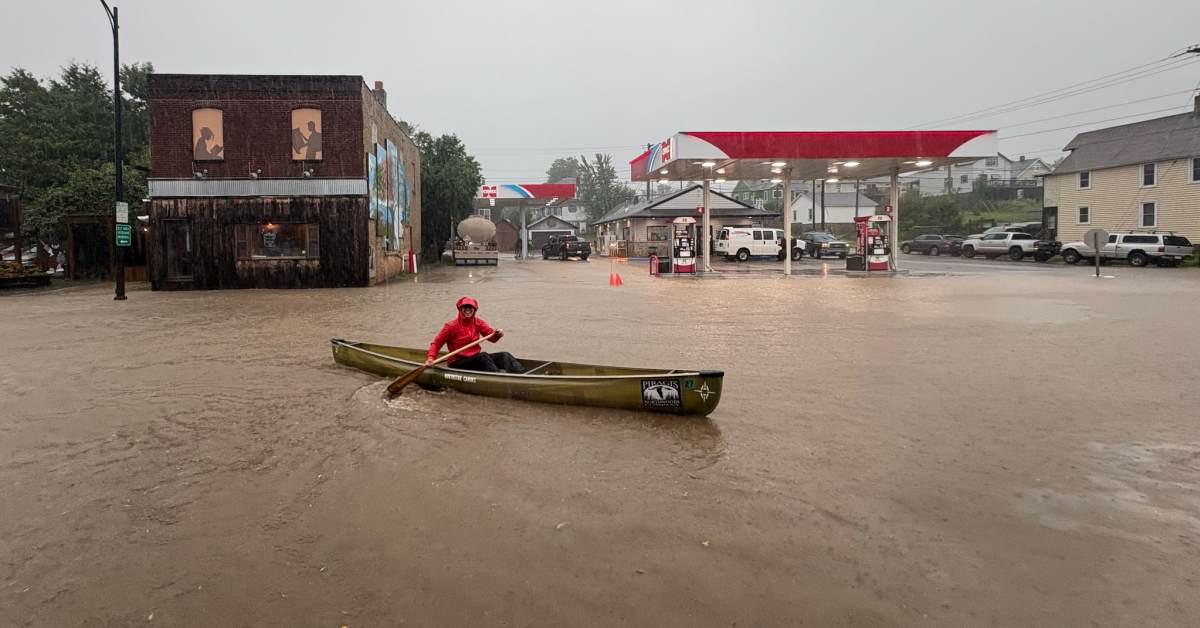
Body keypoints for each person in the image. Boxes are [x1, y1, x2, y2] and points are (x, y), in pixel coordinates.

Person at [426, 296, 524, 373]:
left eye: (470, 307)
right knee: (483, 356)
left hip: (476, 358)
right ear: (460, 309)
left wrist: (498, 334)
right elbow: (436, 344)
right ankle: (497, 378)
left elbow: (492, 337)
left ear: (474, 310)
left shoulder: (478, 322)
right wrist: (431, 358)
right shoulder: (450, 326)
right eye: (465, 307)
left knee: (504, 355)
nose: (468, 309)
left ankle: (521, 374)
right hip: (458, 362)